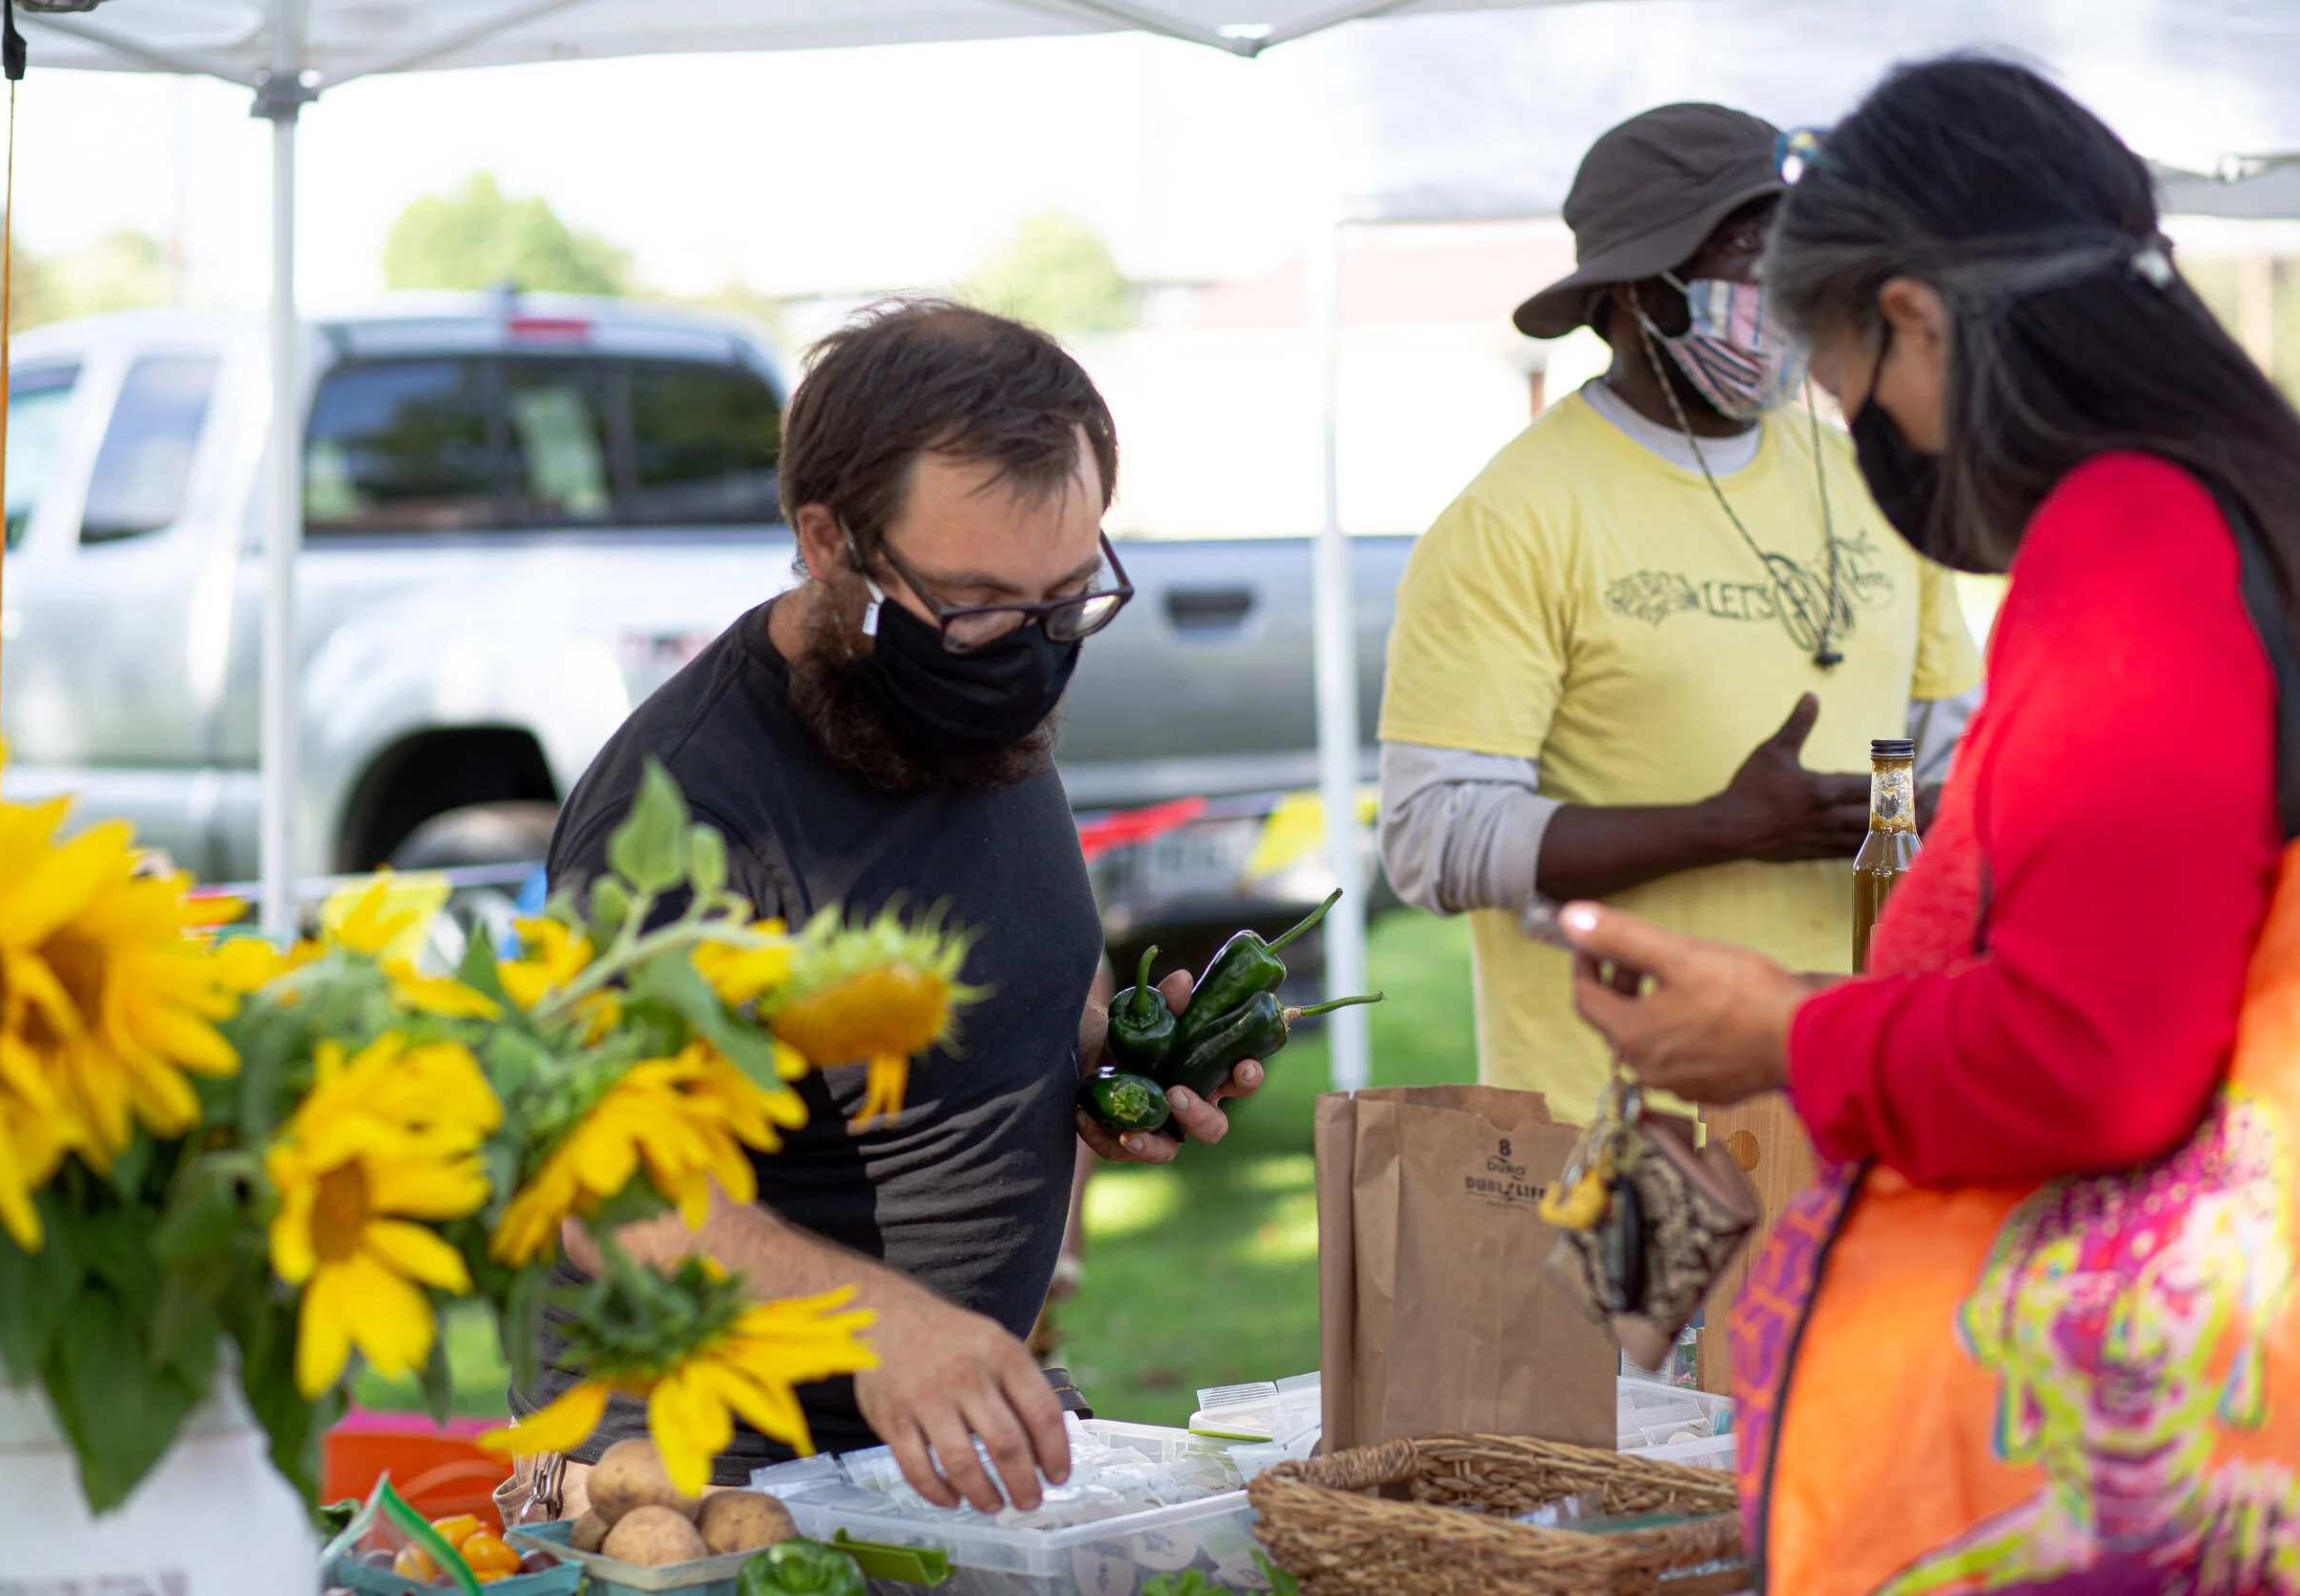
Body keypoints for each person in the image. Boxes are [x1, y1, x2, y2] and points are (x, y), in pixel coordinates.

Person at [1561, 57, 2300, 1594]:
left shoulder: (2132, 535)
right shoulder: (2234, 506)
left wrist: (1786, 1033)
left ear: (1915, 316)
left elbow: (2088, 1059)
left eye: (1852, 393)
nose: (1874, 441)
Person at [506, 300, 1264, 1517]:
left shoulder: (978, 711)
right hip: (694, 1487)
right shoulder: (687, 809)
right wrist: (891, 1325)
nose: (1021, 651)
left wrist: (1099, 1069)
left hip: (926, 1465)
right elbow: (611, 1189)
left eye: (1063, 601)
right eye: (970, 605)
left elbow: (1002, 992)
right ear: (827, 538)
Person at [1377, 101, 1986, 1127]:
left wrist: (1908, 811)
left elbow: (1956, 748)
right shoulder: (1512, 517)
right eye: (1750, 246)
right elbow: (1430, 837)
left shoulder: (1876, 476)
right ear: (1632, 287)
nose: (1787, 283)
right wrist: (1725, 828)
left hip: (1855, 1089)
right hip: (1614, 1134)